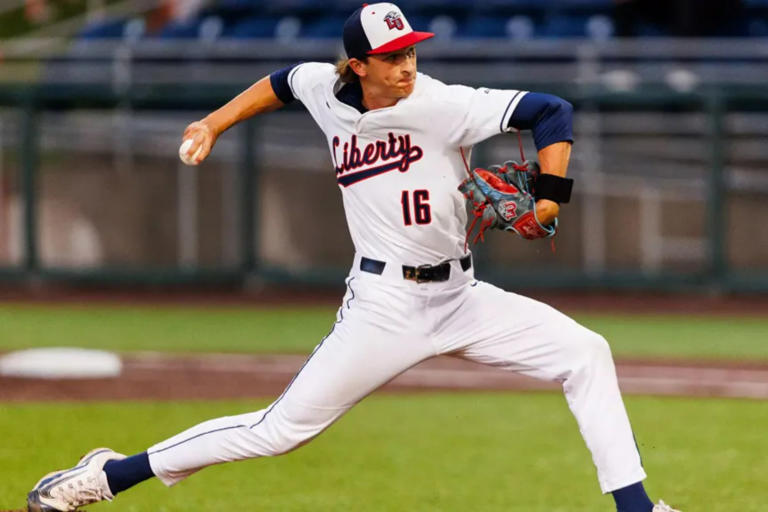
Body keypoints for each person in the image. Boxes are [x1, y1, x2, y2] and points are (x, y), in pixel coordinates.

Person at [26, 4, 680, 512]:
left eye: (411, 51)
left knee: (585, 351)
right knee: (278, 431)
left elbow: (551, 111)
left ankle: (635, 504)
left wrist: (547, 201)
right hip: (384, 306)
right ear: (358, 65)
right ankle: (106, 476)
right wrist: (213, 123)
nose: (407, 66)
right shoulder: (323, 87)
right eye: (392, 57)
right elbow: (281, 83)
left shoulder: (442, 104)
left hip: (462, 297)